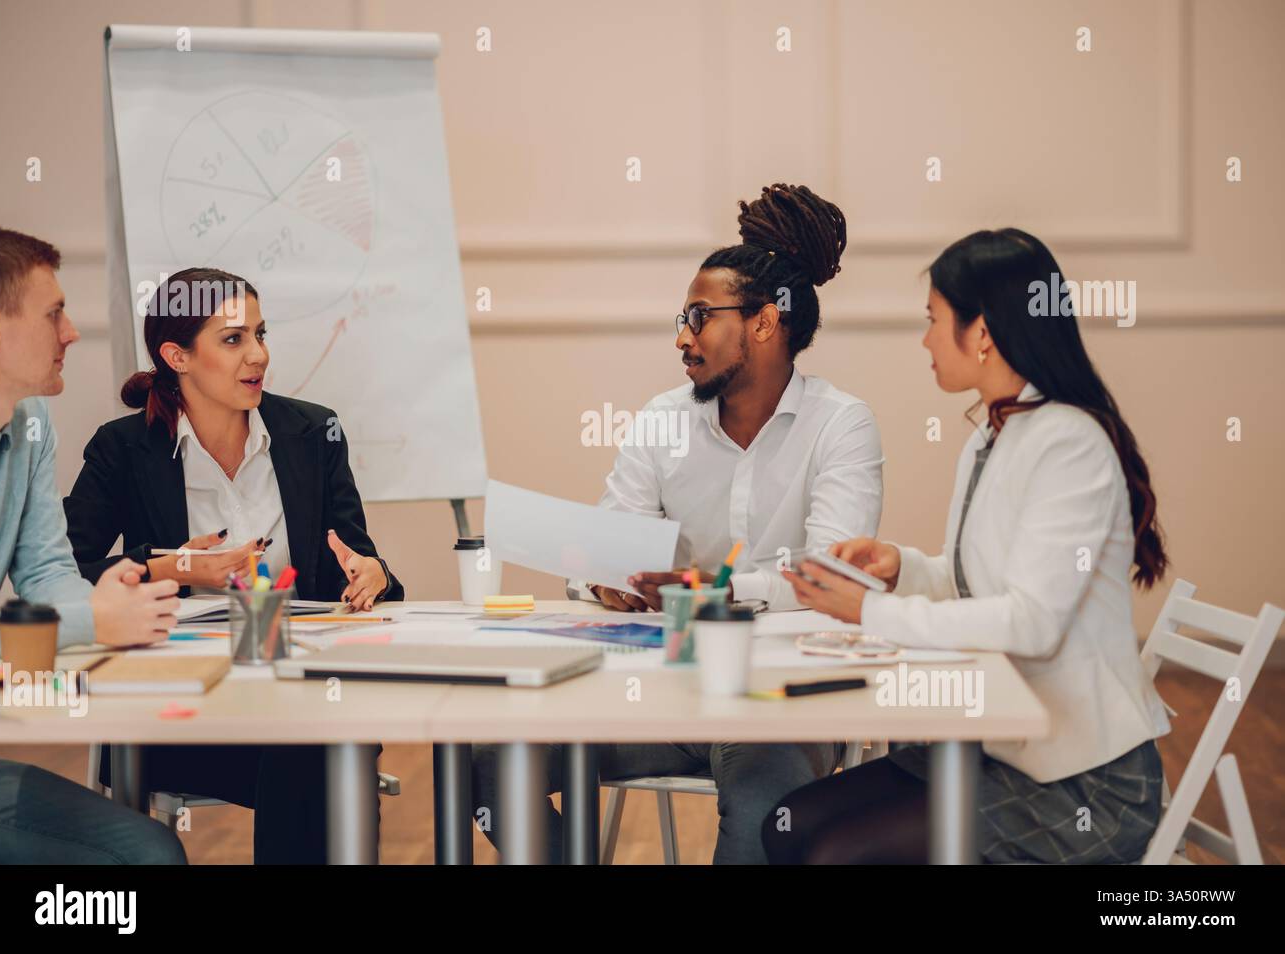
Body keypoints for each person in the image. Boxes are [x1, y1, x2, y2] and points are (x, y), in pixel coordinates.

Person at [473, 184, 885, 864]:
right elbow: (610, 543)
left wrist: (712, 596)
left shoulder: (842, 426)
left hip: (778, 701)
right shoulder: (662, 418)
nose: (681, 338)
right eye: (681, 318)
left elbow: (831, 576)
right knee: (488, 757)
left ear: (763, 323)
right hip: (659, 694)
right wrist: (607, 583)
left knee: (763, 795)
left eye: (698, 317)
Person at [767, 228, 1171, 864]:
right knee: (787, 824)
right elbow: (980, 590)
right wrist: (903, 568)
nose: (926, 340)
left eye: (934, 320)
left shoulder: (1067, 443)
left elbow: (1030, 622)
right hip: (994, 749)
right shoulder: (992, 434)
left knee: (835, 854)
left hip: (1081, 783)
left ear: (981, 332)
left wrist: (868, 610)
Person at [63, 267, 402, 864]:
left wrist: (373, 573)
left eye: (261, 334)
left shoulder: (312, 432)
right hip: (176, 711)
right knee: (323, 756)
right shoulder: (122, 448)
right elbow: (66, 570)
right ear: (177, 356)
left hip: (294, 694)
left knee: (319, 744)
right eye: (233, 339)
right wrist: (175, 568)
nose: (259, 355)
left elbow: (357, 555)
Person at [0, 224, 185, 864]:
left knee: (152, 850)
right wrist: (92, 618)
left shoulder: (30, 421)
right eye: (54, 314)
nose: (71, 332)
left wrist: (107, 599)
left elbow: (46, 572)